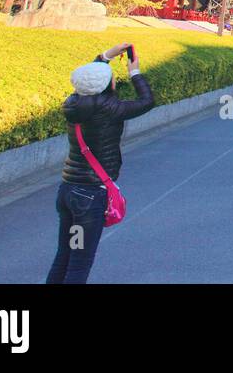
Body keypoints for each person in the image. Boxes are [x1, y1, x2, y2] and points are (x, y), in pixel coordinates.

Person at [46, 43, 155, 283]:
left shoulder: (74, 103)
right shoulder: (111, 109)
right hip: (90, 195)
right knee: (79, 264)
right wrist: (135, 72)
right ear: (108, 86)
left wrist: (106, 56)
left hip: (67, 190)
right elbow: (147, 101)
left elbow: (89, 80)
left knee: (64, 255)